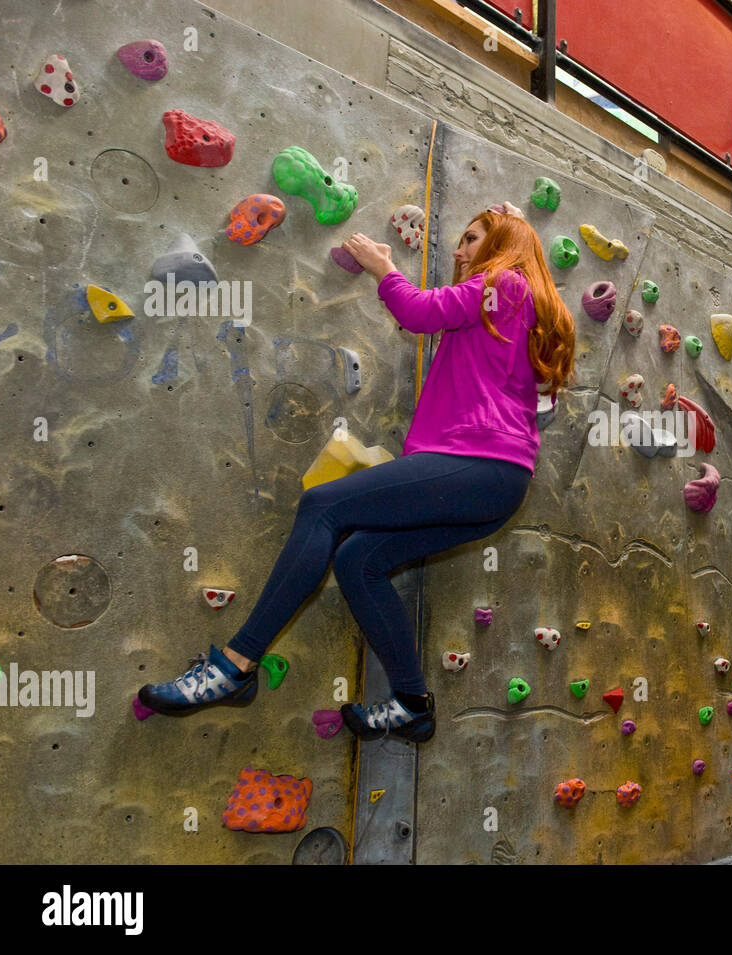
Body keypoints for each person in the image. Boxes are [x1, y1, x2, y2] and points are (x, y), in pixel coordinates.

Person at [137, 203, 576, 743]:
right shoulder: (515, 305)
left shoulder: (504, 284)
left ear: (502, 246)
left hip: (478, 464)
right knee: (358, 559)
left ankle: (235, 665)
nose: (459, 252)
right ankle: (413, 704)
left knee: (323, 506)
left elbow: (418, 312)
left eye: (471, 239)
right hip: (497, 482)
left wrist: (381, 265)